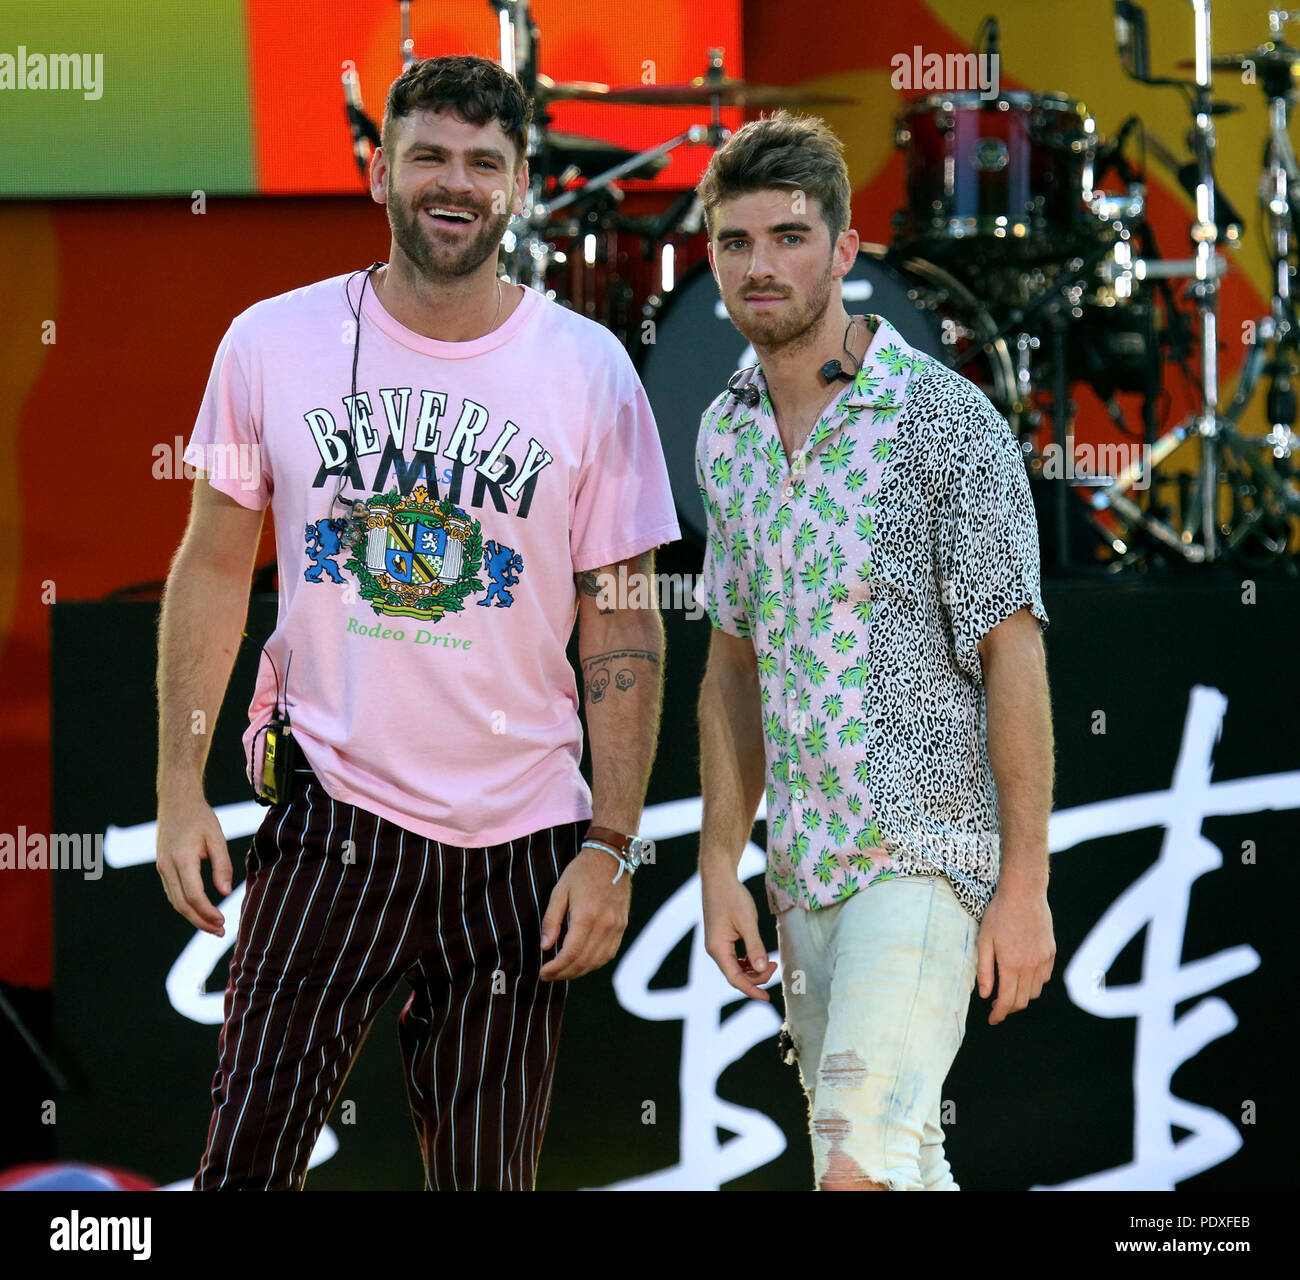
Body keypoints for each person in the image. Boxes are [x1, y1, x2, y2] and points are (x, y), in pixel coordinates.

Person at [154, 54, 679, 1191]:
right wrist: (178, 782)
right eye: (429, 156)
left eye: (483, 163)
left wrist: (612, 843)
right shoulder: (268, 342)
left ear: (522, 185)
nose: (455, 183)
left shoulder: (590, 371)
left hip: (524, 842)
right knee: (245, 1161)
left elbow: (624, 618)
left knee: (487, 1180)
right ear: (379, 168)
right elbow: (208, 565)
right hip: (333, 815)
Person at [694, 111, 1055, 1191]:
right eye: (734, 241)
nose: (761, 265)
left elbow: (1014, 655)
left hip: (924, 854)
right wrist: (721, 859)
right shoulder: (725, 431)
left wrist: (1025, 881)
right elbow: (730, 663)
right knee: (902, 1158)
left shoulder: (944, 420)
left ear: (845, 252)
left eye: (789, 236)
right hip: (802, 870)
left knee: (853, 1161)